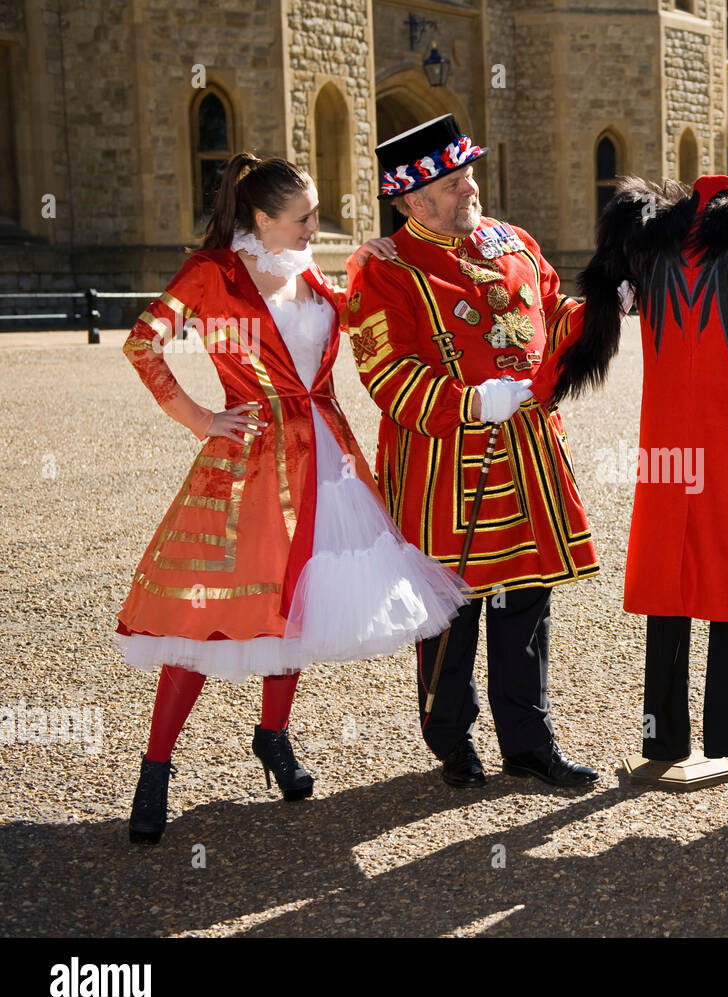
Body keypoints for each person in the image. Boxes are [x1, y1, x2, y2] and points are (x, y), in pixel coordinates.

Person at [117, 153, 468, 844]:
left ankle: (272, 736)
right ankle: (155, 768)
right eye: (305, 216)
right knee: (204, 618)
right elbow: (142, 344)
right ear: (261, 218)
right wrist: (200, 418)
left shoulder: (311, 272)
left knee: (302, 603)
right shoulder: (211, 275)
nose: (317, 225)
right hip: (247, 465)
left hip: (329, 459)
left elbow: (364, 329)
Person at [534, 173, 728, 770]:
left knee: (726, 571)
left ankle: (688, 741)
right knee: (700, 573)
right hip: (708, 435)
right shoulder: (655, 240)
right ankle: (715, 739)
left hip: (703, 436)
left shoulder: (716, 239)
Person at [348, 115, 599, 789]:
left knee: (525, 607)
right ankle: (450, 735)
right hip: (443, 470)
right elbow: (386, 373)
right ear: (410, 201)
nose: (470, 189)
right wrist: (469, 402)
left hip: (525, 457)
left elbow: (553, 312)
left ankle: (529, 740)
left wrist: (602, 307)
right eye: (453, 183)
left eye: (468, 176)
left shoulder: (513, 241)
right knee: (449, 611)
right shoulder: (384, 269)